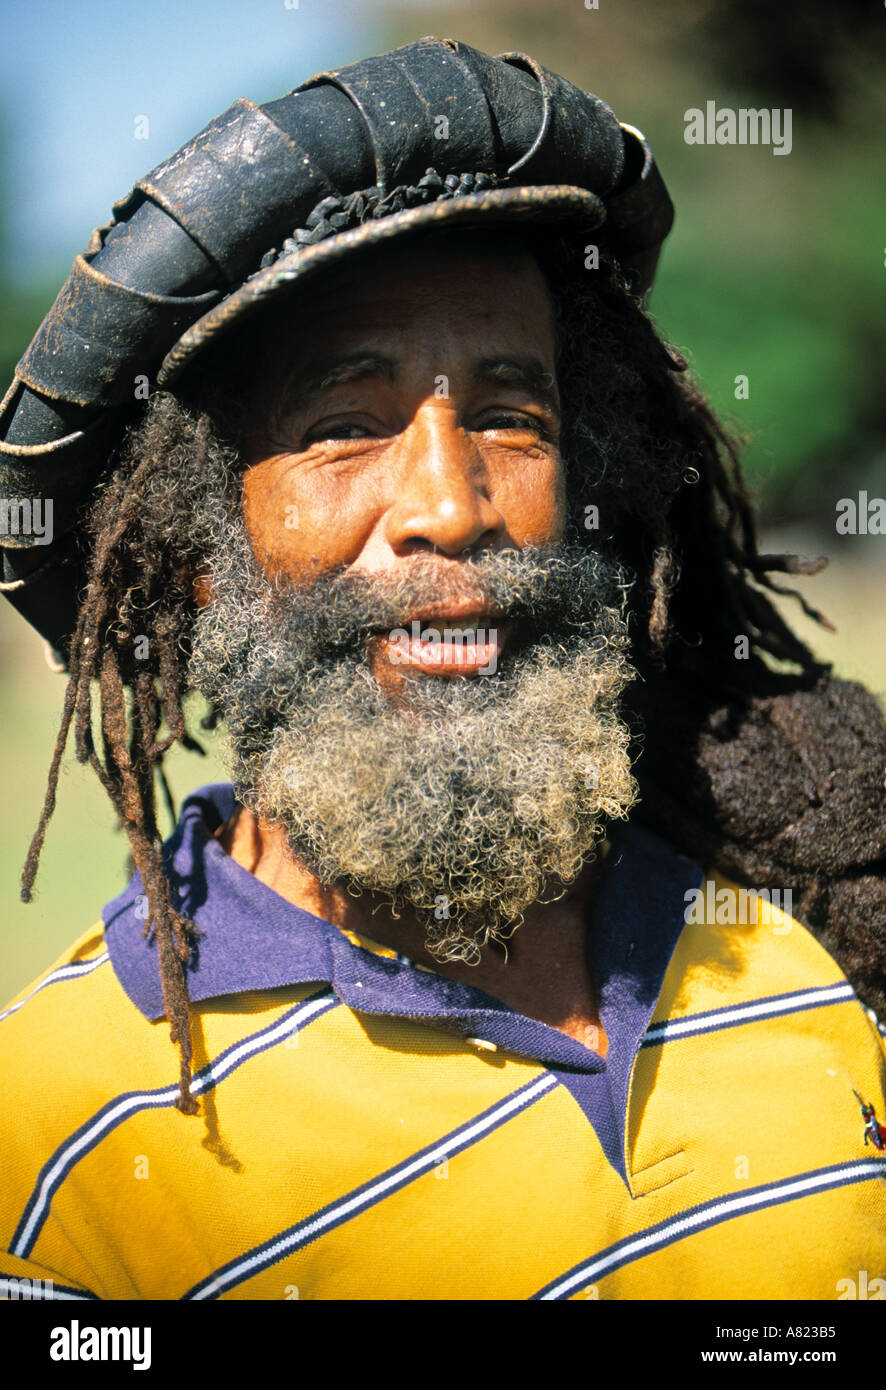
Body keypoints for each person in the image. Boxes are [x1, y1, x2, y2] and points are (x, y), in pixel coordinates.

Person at [1, 37, 884, 1302]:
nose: (451, 503)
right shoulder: (56, 1128)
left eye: (509, 414)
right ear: (203, 551)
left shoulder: (810, 929)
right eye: (344, 426)